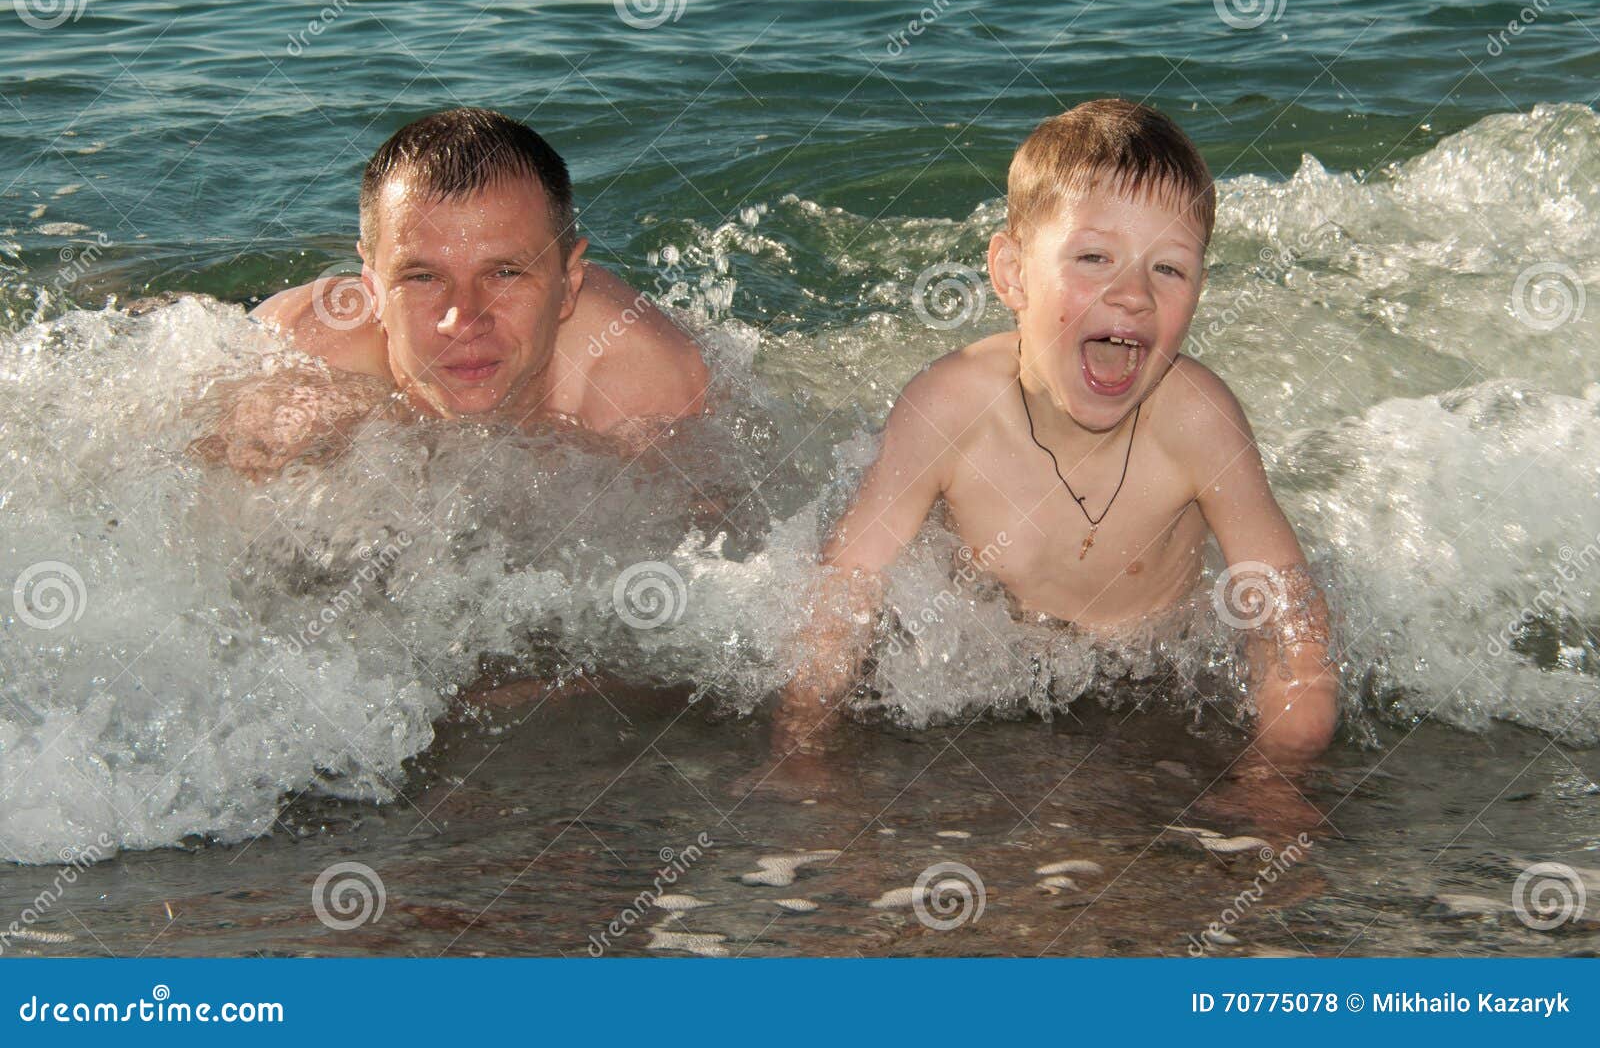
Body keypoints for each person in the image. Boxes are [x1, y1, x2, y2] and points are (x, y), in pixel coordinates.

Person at [774, 99, 1337, 775]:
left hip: (1156, 679)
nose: (1133, 294)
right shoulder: (950, 408)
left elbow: (1285, 611)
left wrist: (1280, 773)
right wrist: (803, 746)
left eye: (1169, 268)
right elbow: (846, 587)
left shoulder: (1199, 421)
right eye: (1094, 256)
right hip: (990, 686)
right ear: (1012, 273)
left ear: (1199, 288)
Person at [199, 107, 708, 478]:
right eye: (423, 277)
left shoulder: (647, 388)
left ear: (568, 283)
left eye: (505, 273)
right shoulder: (305, 372)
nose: (463, 321)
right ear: (372, 289)